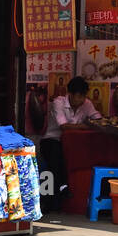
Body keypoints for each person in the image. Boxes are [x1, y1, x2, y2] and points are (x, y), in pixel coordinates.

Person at [39, 76, 99, 212]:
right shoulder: (58, 103)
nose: (81, 100)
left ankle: (66, 190)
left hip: (74, 144)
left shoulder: (86, 104)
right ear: (70, 94)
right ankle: (61, 189)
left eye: (83, 96)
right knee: (57, 158)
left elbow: (97, 118)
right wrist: (86, 126)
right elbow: (64, 126)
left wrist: (95, 123)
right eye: (78, 96)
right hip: (53, 140)